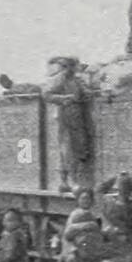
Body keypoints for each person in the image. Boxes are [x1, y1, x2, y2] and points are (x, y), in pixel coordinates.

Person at [43, 58, 92, 192]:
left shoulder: (76, 80)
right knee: (67, 149)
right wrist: (64, 99)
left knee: (79, 148)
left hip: (76, 116)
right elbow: (46, 95)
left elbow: (85, 92)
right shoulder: (58, 79)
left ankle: (75, 180)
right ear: (67, 67)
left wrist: (86, 94)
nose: (74, 69)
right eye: (72, 67)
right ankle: (67, 181)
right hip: (64, 116)